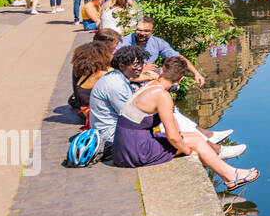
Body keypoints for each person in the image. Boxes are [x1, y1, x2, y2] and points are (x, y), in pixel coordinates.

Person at [111, 58, 259, 188]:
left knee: (194, 137)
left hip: (123, 145)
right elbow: (173, 137)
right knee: (197, 143)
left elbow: (173, 128)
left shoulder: (150, 85)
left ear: (162, 70)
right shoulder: (163, 96)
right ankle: (231, 176)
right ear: (181, 79)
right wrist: (188, 151)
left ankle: (230, 174)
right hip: (136, 151)